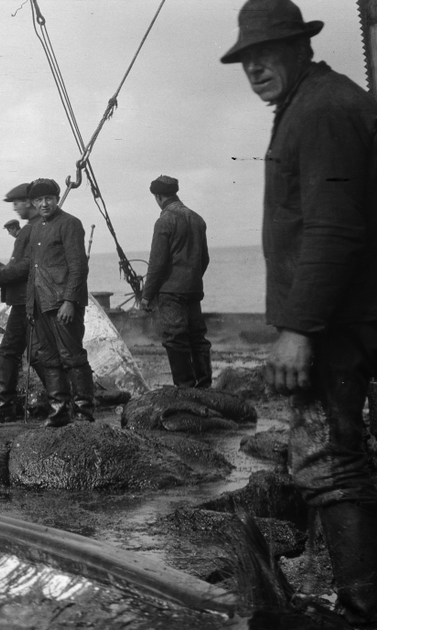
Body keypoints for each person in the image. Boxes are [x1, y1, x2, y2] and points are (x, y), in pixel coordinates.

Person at [222, 0, 376, 624]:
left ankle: (364, 607)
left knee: (328, 460)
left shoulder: (321, 110)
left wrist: (297, 330)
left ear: (300, 47)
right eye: (246, 59)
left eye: (267, 54)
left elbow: (333, 230)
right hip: (349, 316)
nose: (255, 69)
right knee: (339, 455)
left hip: (340, 323)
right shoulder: (315, 104)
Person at [19, 178, 93, 427]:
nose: (44, 203)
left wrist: (70, 301)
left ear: (56, 197)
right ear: (33, 202)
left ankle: (83, 411)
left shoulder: (70, 224)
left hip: (62, 304)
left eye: (48, 198)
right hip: (40, 305)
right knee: (48, 358)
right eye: (38, 200)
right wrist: (30, 306)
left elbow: (79, 267)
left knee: (72, 356)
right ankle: (58, 410)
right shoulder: (35, 229)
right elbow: (33, 270)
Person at [0, 181, 47, 422]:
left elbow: (26, 266)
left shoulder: (33, 229)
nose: (15, 208)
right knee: (16, 351)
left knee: (29, 352)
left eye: (17, 203)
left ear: (29, 202)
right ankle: (7, 405)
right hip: (27, 301)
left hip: (28, 301)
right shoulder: (34, 227)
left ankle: (8, 406)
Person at [137, 175, 213, 388]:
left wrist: (147, 297)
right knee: (198, 337)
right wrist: (192, 279)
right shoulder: (197, 219)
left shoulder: (165, 220)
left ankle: (185, 386)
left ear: (158, 197)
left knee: (174, 338)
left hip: (171, 292)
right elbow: (204, 259)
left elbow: (157, 263)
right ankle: (204, 384)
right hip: (194, 289)